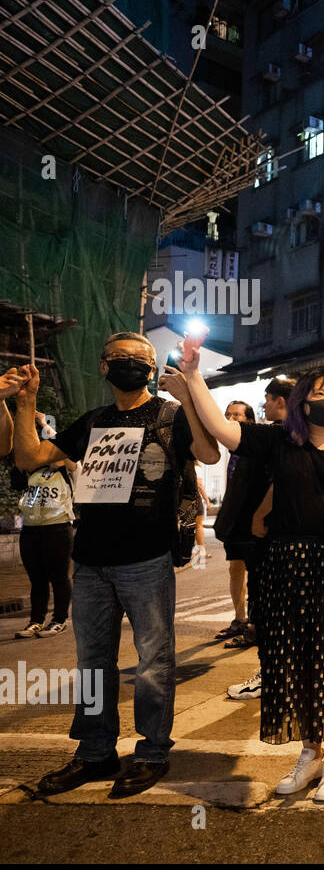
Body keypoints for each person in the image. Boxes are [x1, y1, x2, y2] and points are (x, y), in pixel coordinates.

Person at [179, 353, 324, 804]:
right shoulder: (277, 442)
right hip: (287, 572)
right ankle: (310, 752)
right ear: (300, 403)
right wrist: (193, 376)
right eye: (318, 392)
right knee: (299, 665)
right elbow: (223, 430)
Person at [12, 333, 220, 799]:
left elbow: (209, 455)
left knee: (153, 662)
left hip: (147, 558)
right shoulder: (93, 422)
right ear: (104, 367)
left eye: (141, 359)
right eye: (122, 359)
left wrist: (188, 393)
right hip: (89, 562)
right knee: (92, 664)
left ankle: (151, 753)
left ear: (152, 368)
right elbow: (30, 458)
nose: (132, 365)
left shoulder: (170, 416)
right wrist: (25, 403)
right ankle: (94, 752)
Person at [226, 377, 294, 698]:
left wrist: (259, 513)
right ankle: (280, 673)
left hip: (271, 535)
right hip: (273, 535)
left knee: (271, 606)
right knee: (273, 606)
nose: (264, 404)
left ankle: (271, 675)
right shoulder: (295, 433)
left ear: (280, 401)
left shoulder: (281, 435)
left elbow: (281, 479)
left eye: (267, 399)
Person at [12, 412, 77, 638]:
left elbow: (63, 447)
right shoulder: (31, 469)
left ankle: (59, 620)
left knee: (59, 577)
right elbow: (17, 472)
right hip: (30, 529)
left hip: (58, 527)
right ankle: (35, 621)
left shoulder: (67, 468)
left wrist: (43, 423)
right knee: (36, 579)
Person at [213, 401, 259, 642]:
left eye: (237, 415)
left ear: (249, 420)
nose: (231, 418)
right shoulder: (232, 449)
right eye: (228, 414)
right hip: (235, 519)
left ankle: (255, 622)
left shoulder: (257, 447)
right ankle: (239, 619)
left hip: (253, 519)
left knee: (256, 571)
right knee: (235, 568)